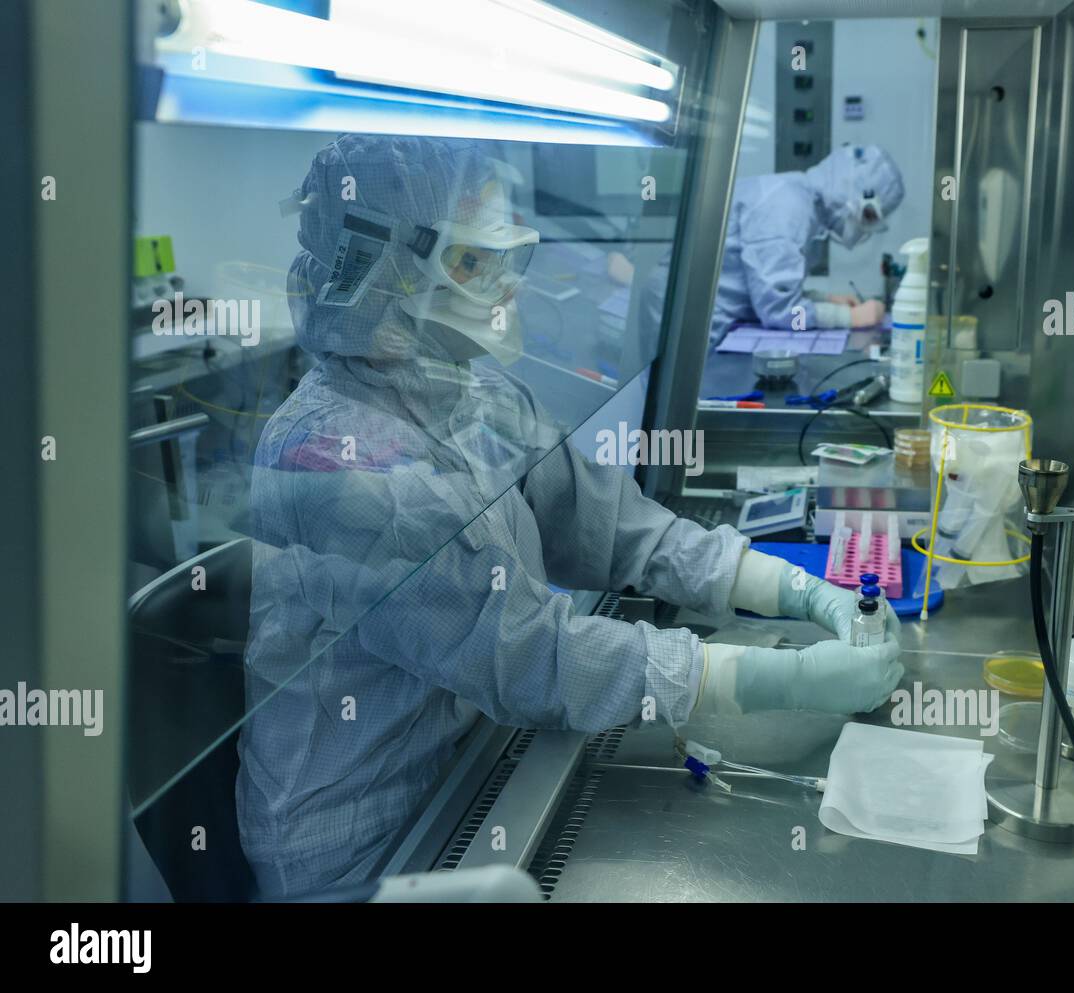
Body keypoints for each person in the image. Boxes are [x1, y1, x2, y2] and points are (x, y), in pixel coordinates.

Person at [236, 135, 903, 898]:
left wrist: (795, 589)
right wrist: (782, 678)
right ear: (385, 273)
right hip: (358, 855)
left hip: (466, 774)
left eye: (511, 258)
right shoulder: (332, 459)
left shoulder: (466, 391)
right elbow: (526, 653)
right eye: (472, 263)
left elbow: (607, 525)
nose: (507, 288)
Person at [710, 144, 904, 346]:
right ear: (853, 192)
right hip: (709, 336)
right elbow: (780, 313)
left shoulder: (800, 203)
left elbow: (764, 293)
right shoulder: (786, 207)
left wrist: (824, 299)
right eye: (868, 216)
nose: (863, 227)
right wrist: (850, 317)